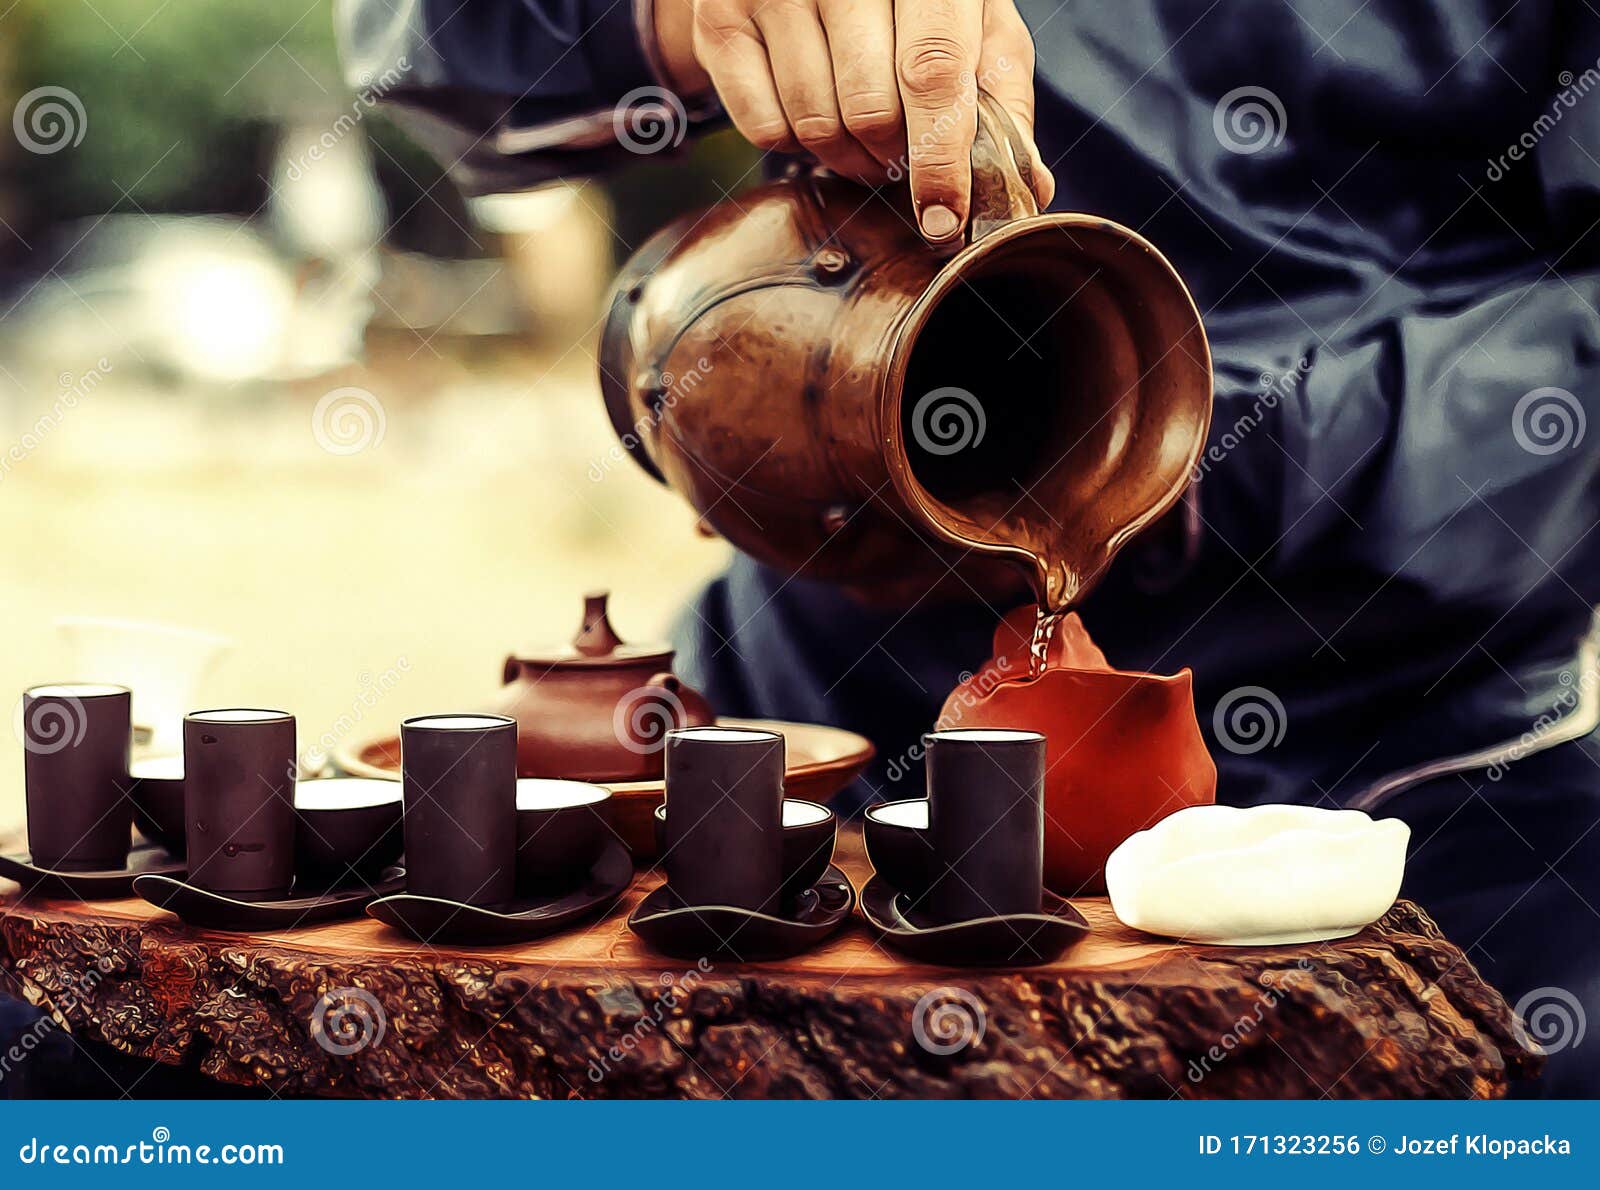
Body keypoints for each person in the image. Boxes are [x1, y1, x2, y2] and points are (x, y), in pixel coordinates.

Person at [338, 0, 1600, 1095]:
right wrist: (673, 18)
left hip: (1434, 783)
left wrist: (1251, 453)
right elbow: (409, 46)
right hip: (816, 742)